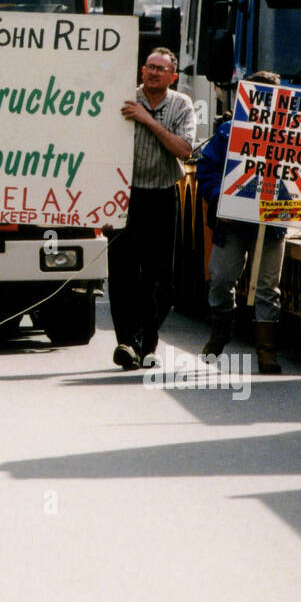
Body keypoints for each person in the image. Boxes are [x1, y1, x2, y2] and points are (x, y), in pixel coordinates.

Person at [108, 47, 197, 370]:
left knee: (160, 279)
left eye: (161, 68)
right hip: (125, 198)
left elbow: (184, 150)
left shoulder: (181, 104)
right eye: (149, 66)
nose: (154, 72)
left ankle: (148, 341)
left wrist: (147, 120)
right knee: (123, 274)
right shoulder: (123, 99)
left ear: (172, 76)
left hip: (161, 196)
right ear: (141, 70)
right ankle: (126, 343)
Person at [196, 71, 285, 375]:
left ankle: (266, 353)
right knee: (220, 277)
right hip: (231, 223)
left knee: (267, 287)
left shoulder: (289, 135)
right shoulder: (227, 133)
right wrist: (222, 198)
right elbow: (206, 171)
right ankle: (221, 330)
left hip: (271, 224)